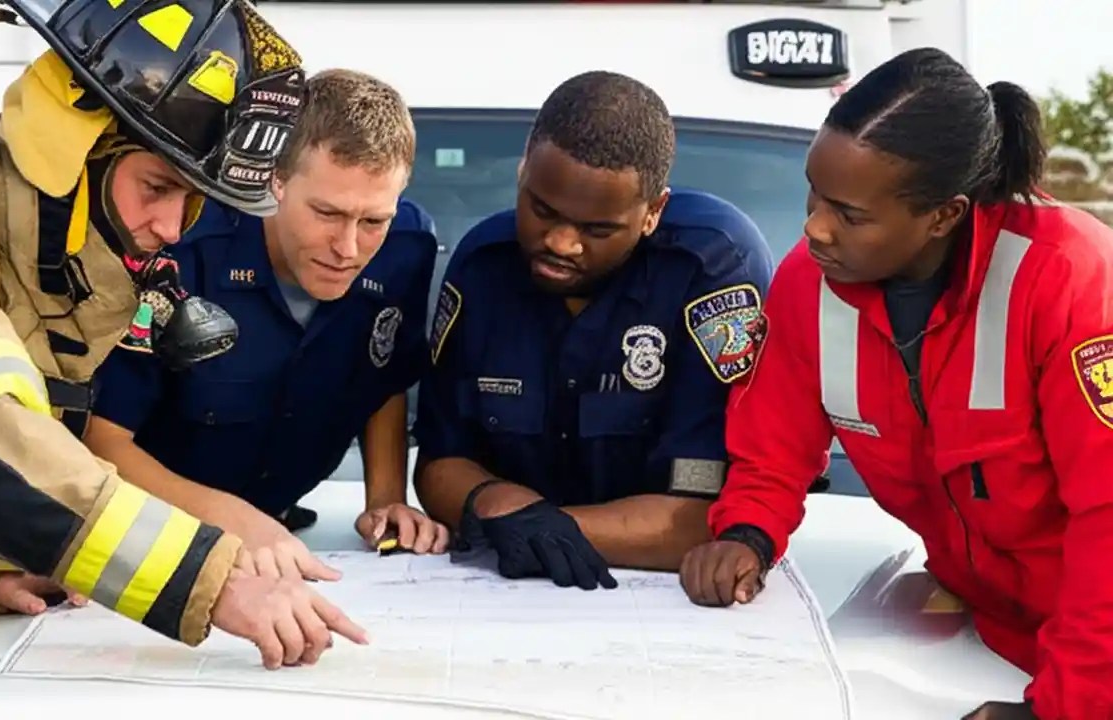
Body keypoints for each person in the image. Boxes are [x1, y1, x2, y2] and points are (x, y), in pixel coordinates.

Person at [0, 0, 368, 669]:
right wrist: (216, 578)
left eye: (191, 199)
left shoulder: (33, 261)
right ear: (71, 144)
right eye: (157, 186)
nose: (174, 228)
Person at [680, 48, 1113, 720]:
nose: (814, 227)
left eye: (849, 215)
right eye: (812, 193)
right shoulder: (806, 284)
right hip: (995, 633)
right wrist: (747, 534)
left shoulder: (1066, 280)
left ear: (944, 215)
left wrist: (1067, 710)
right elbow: (772, 447)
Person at [412, 70, 773, 591]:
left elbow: (709, 518)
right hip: (488, 600)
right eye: (542, 210)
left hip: (665, 608)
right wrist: (490, 500)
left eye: (596, 229)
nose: (560, 242)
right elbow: (439, 462)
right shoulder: (481, 266)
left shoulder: (710, 268)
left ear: (653, 212)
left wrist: (535, 527)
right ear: (521, 173)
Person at [83, 67, 448, 563]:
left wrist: (385, 501)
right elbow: (101, 439)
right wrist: (233, 521)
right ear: (274, 180)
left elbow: (383, 376)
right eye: (326, 213)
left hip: (278, 535)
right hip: (149, 535)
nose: (348, 247)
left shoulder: (407, 247)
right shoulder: (181, 248)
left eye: (372, 221)